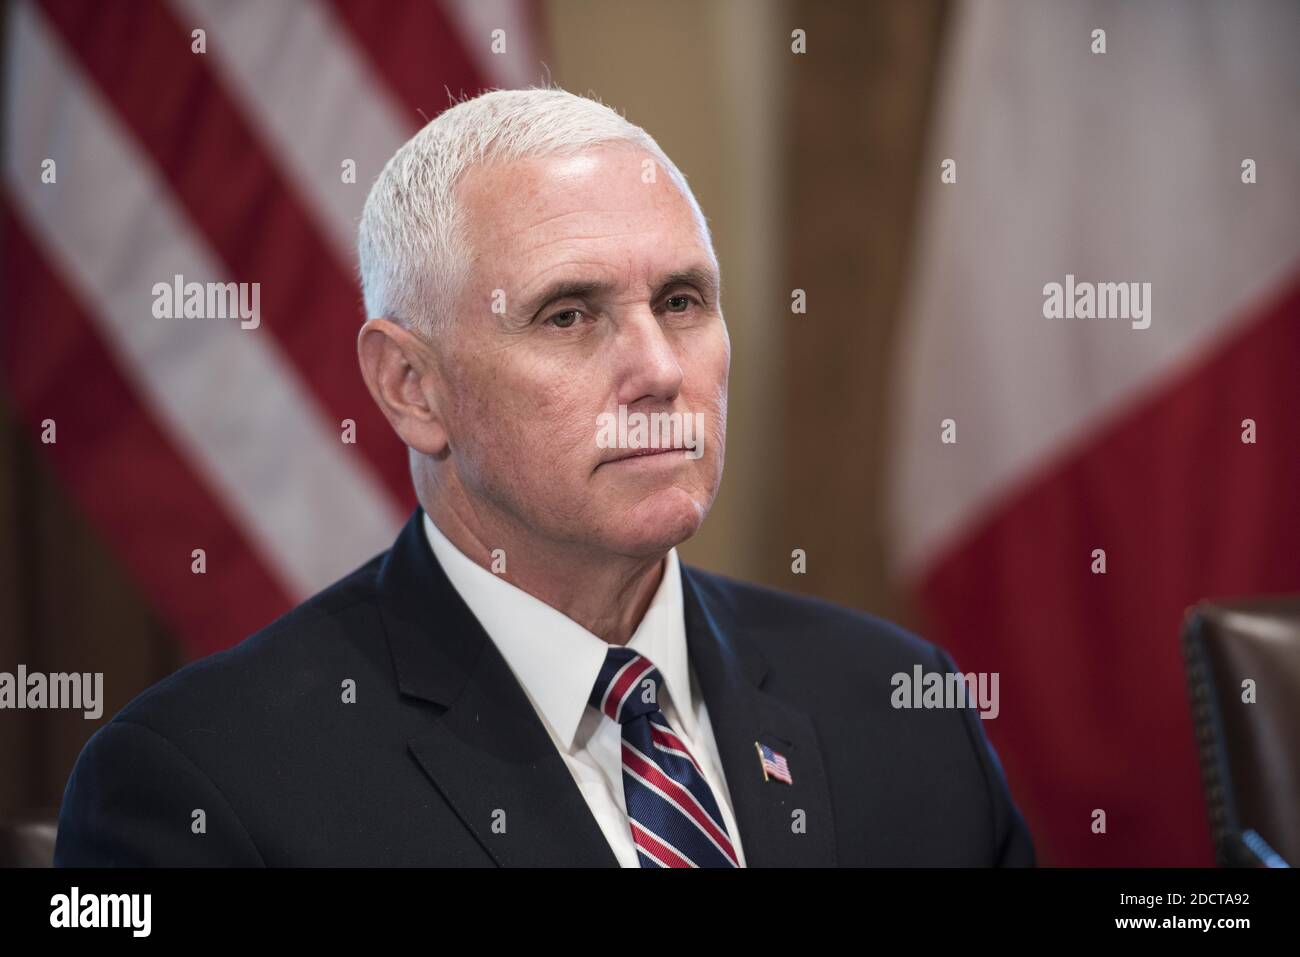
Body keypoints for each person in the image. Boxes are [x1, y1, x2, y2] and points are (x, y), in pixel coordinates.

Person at [54, 87, 1034, 867]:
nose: (658, 369)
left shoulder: (900, 704)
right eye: (568, 314)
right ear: (411, 388)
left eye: (683, 300)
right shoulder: (204, 785)